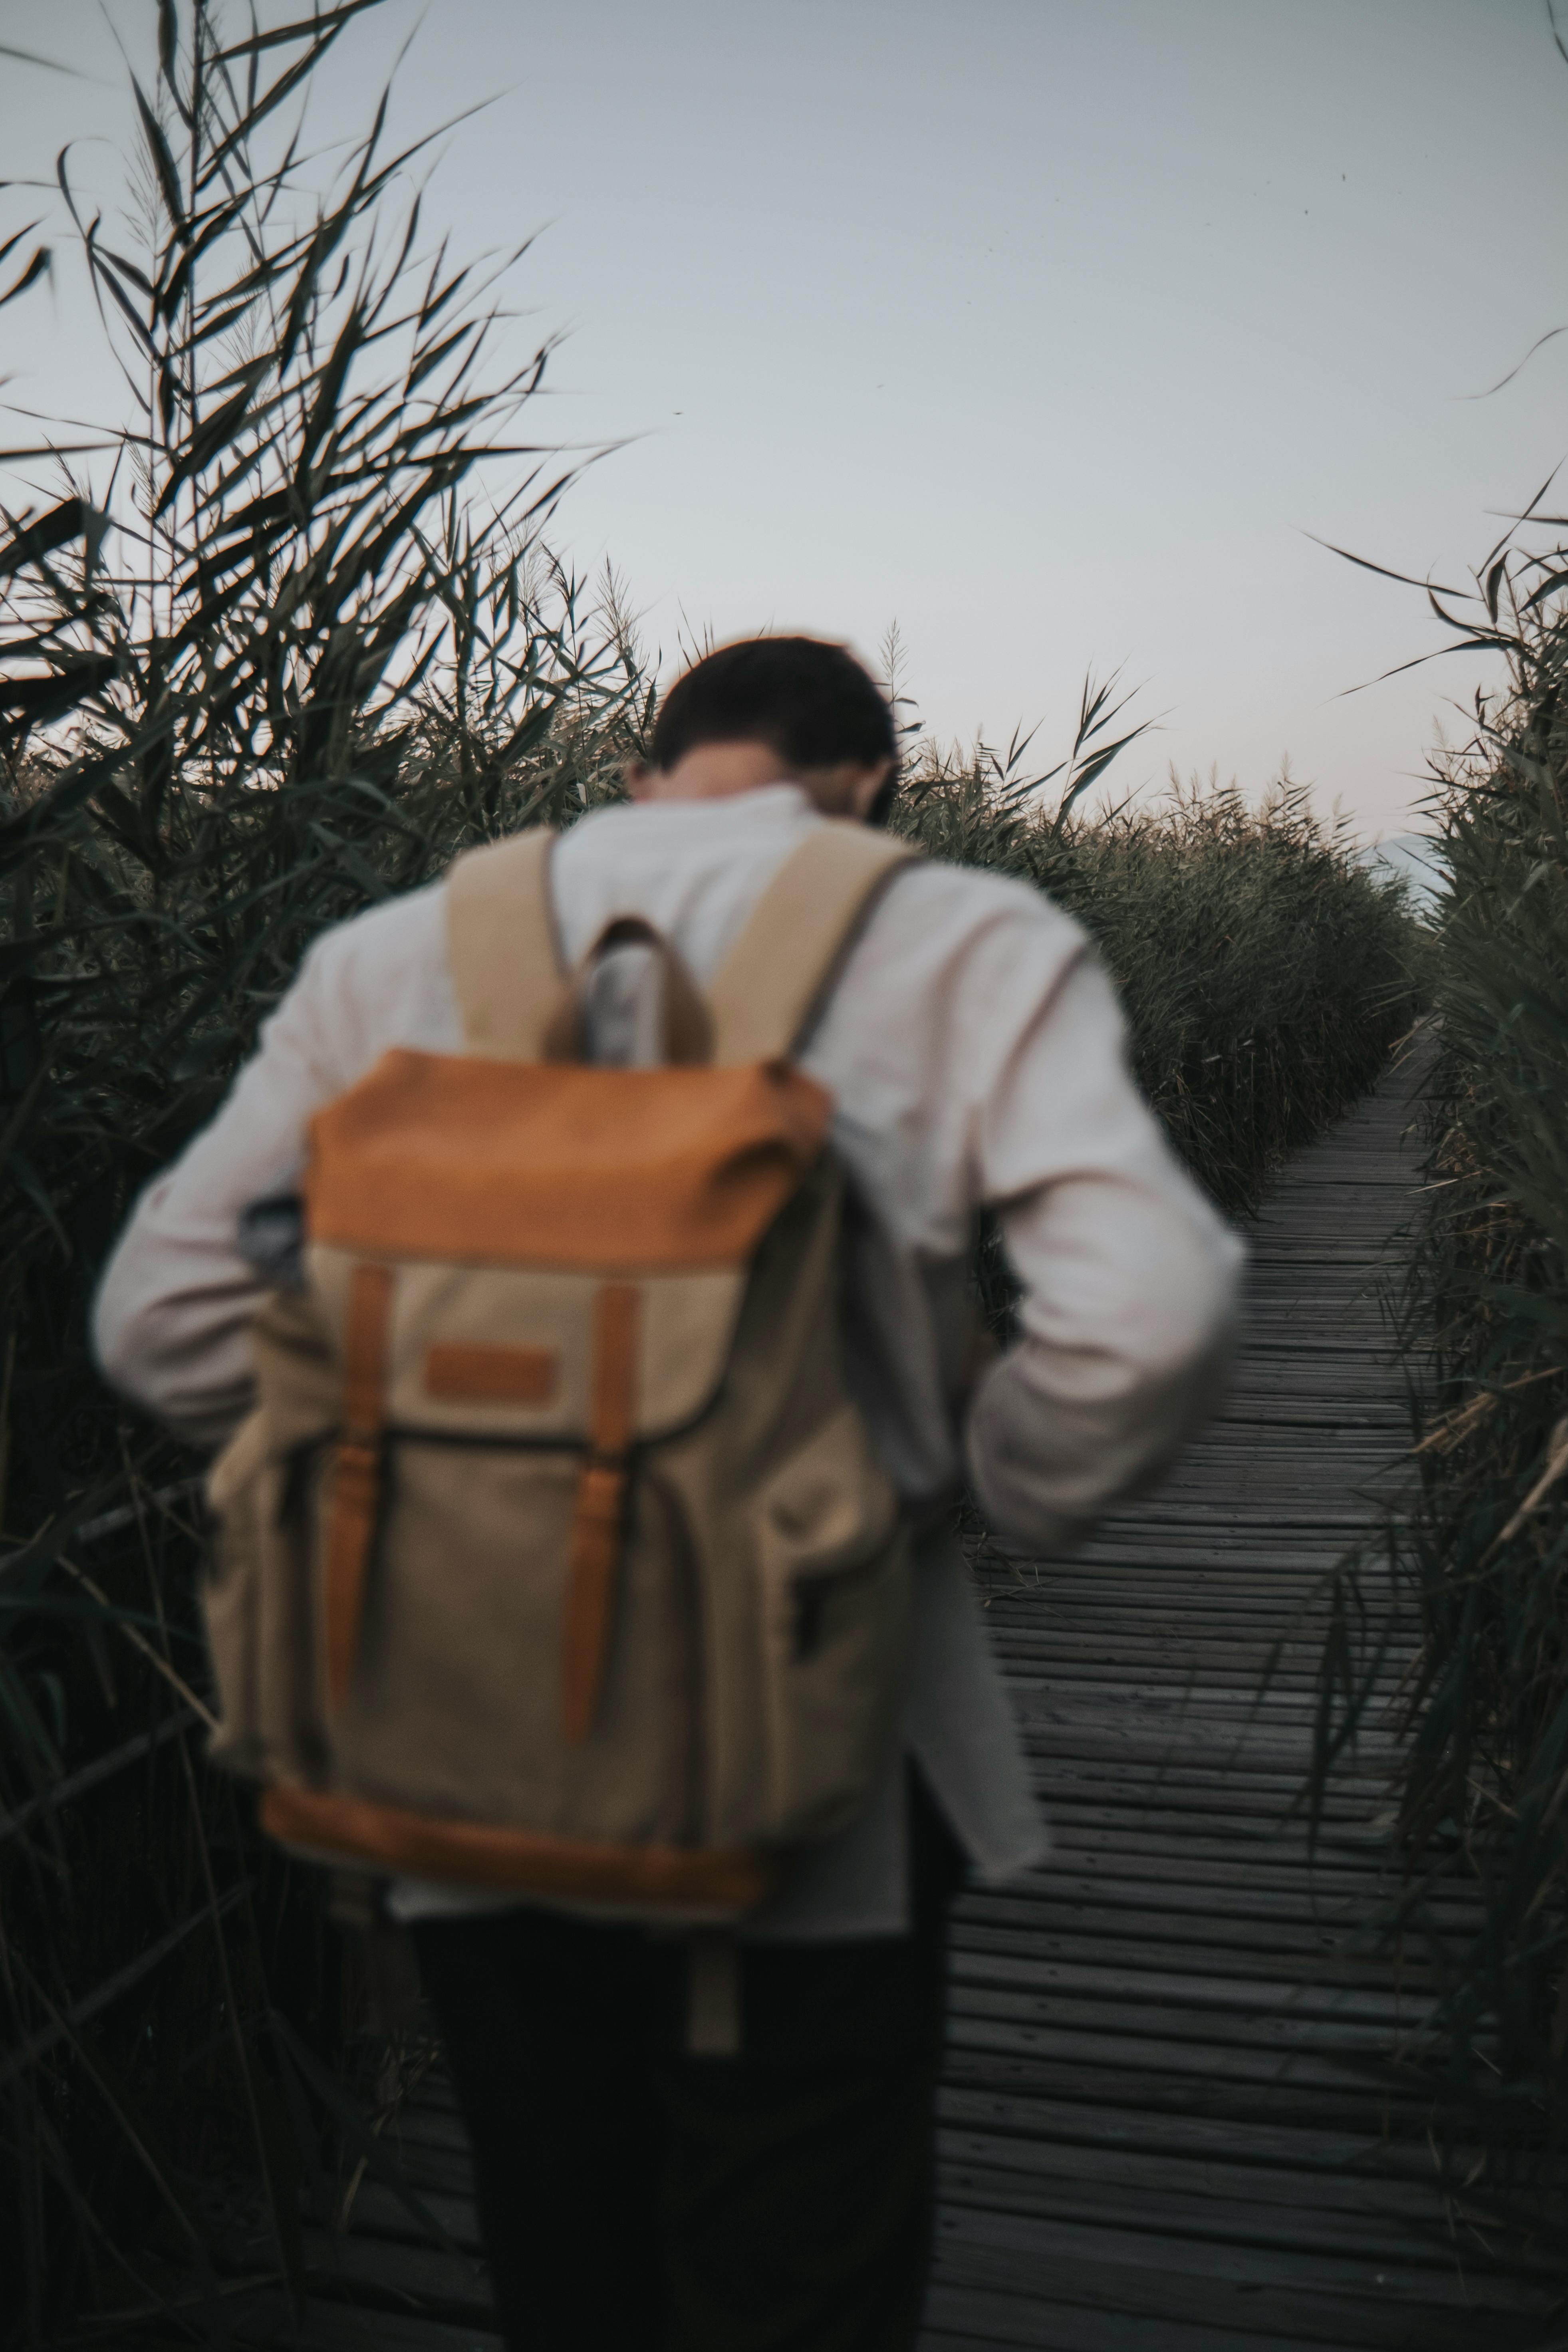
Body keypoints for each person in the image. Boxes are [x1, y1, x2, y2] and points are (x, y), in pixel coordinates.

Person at [94, 634, 1242, 2352]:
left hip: (458, 1751)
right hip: (822, 1776)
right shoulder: (948, 936)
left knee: (564, 2262)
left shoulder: (398, 955)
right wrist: (987, 1485)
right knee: (804, 2274)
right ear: (868, 791)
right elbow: (1150, 1312)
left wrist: (408, 1480)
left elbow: (160, 1321)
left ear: (644, 774)